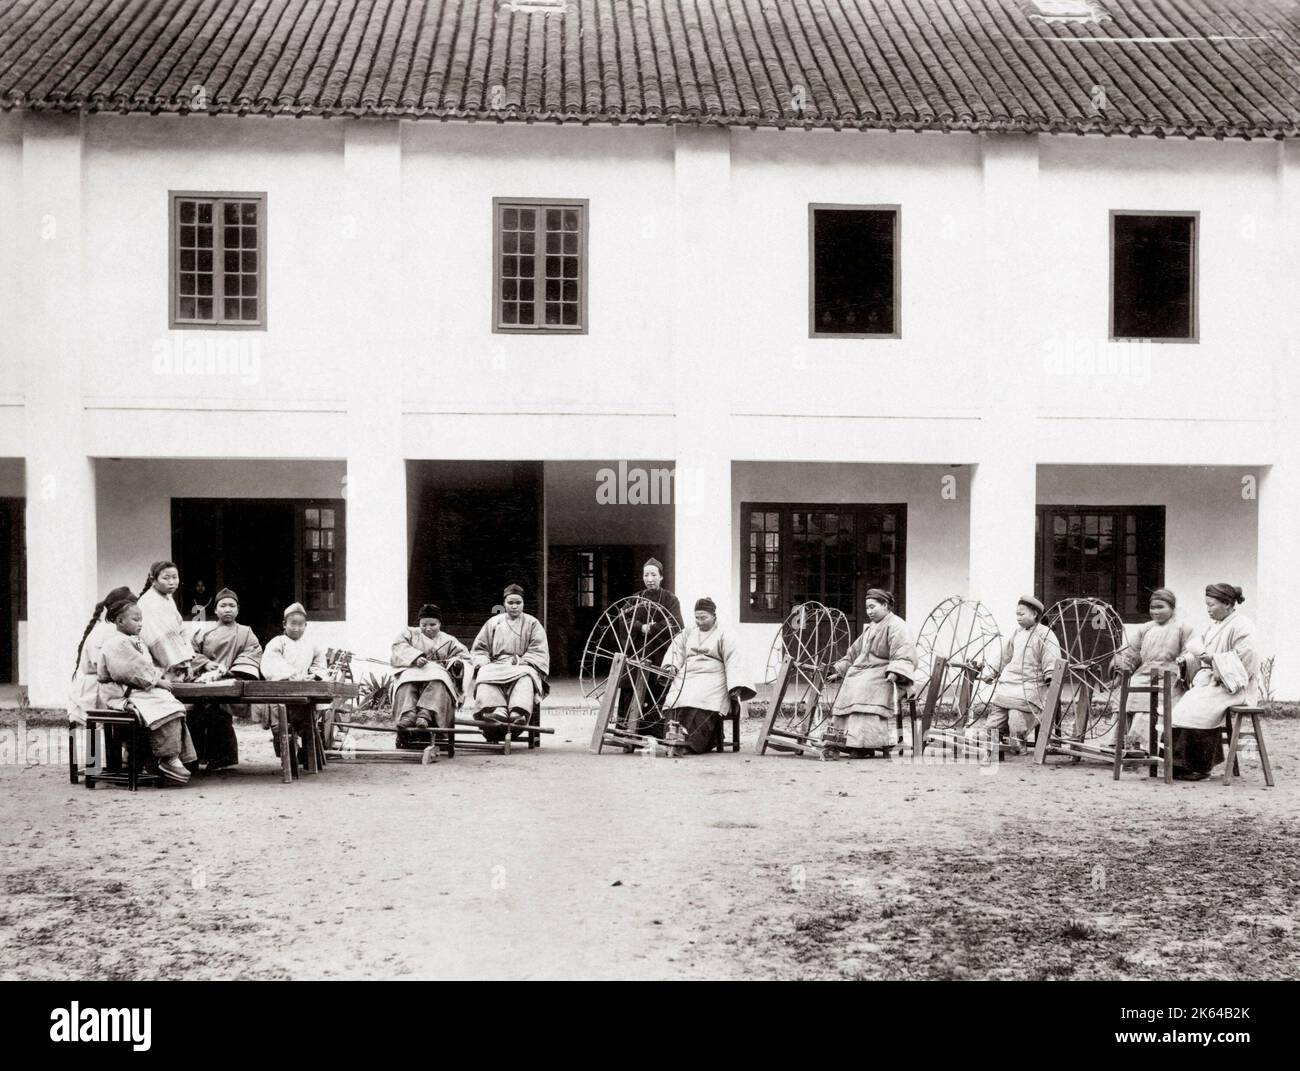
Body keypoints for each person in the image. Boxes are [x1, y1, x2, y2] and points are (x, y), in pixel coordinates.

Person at [94, 589, 197, 785]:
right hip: (121, 693)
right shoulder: (115, 643)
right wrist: (158, 681)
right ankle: (168, 758)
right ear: (119, 621)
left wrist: (162, 676)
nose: (140, 623)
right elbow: (132, 670)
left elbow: (147, 666)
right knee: (167, 705)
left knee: (173, 704)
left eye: (141, 619)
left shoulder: (136, 641)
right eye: (135, 619)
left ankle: (167, 757)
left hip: (138, 690)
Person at [1165, 583, 1260, 781]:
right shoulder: (1214, 627)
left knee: (1198, 711)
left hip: (1233, 685)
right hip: (1210, 681)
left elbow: (1247, 660)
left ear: (1227, 604)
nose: (1208, 609)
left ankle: (1200, 769)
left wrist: (1213, 659)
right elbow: (1201, 655)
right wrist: (1188, 660)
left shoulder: (1242, 625)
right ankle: (1178, 766)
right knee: (1181, 708)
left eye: (1212, 605)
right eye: (1206, 605)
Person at [828, 589, 918, 757]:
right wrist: (839, 670)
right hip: (863, 672)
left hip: (886, 675)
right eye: (867, 608)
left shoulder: (898, 626)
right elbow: (854, 653)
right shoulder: (871, 628)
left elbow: (904, 653)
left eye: (872, 607)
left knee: (863, 687)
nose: (869, 612)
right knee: (850, 683)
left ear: (885, 605)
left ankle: (866, 744)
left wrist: (896, 672)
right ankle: (846, 742)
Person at [965, 595, 1062, 752]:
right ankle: (994, 737)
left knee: (1016, 719)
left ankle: (1018, 742)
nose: (1018, 618)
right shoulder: (1017, 633)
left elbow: (1052, 657)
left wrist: (1050, 676)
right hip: (1009, 686)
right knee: (993, 723)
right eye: (1017, 614)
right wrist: (993, 672)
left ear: (1035, 614)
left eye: (1021, 614)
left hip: (1031, 687)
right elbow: (1004, 655)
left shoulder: (1046, 634)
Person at [660, 597, 755, 755]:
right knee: (675, 698)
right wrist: (671, 666)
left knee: (699, 698)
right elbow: (676, 649)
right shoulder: (689, 631)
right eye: (697, 618)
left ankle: (691, 743)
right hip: (688, 673)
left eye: (704, 618)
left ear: (713, 616)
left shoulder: (725, 633)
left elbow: (734, 658)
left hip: (713, 675)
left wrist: (736, 685)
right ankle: (672, 738)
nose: (699, 622)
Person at [1112, 588, 1201, 750]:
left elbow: (1192, 652)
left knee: (1149, 704)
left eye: (1161, 607)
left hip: (1171, 677)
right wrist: (1120, 673)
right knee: (1129, 698)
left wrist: (1183, 662)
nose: (1156, 611)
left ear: (1172, 608)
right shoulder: (1145, 628)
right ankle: (1120, 745)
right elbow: (1131, 653)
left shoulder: (1183, 628)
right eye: (1153, 607)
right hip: (1144, 673)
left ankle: (1141, 746)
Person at [190, 587, 263, 770]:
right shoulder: (202, 633)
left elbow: (253, 653)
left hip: (232, 679)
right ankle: (194, 758)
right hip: (206, 680)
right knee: (196, 713)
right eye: (223, 605)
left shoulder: (246, 632)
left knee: (220, 714)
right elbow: (190, 654)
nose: (227, 609)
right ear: (215, 610)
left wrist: (230, 672)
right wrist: (206, 664)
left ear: (238, 609)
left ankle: (222, 758)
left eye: (232, 605)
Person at [470, 585, 549, 743]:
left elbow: (539, 650)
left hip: (522, 664)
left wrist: (520, 661)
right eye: (510, 602)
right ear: (504, 603)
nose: (514, 606)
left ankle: (517, 712)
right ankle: (494, 709)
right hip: (496, 664)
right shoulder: (493, 622)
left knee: (526, 677)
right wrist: (484, 663)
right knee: (485, 674)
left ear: (523, 603)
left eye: (518, 603)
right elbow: (479, 649)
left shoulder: (532, 623)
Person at [620, 557, 683, 739]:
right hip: (637, 652)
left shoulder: (671, 599)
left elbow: (676, 624)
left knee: (657, 689)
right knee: (630, 684)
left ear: (661, 577)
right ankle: (630, 730)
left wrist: (653, 628)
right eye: (646, 575)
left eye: (653, 575)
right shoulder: (635, 599)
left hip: (661, 652)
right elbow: (624, 620)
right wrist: (641, 627)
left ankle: (655, 731)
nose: (649, 579)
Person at [391, 603, 469, 750]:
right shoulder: (409, 633)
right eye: (424, 624)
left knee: (438, 681)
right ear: (418, 623)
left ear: (440, 623)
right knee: (406, 683)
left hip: (437, 672)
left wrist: (455, 663)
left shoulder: (448, 640)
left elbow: (464, 657)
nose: (428, 628)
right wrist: (414, 657)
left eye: (433, 624)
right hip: (412, 670)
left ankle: (425, 714)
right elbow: (398, 646)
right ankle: (408, 715)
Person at [260, 601, 330, 757]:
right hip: (281, 692)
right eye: (293, 624)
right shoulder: (277, 643)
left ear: (306, 625)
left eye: (301, 624)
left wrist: (315, 675)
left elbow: (319, 664)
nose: (297, 628)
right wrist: (292, 675)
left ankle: (307, 755)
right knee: (282, 726)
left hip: (304, 691)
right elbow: (271, 664)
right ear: (284, 624)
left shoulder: (312, 645)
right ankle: (287, 752)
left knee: (306, 722)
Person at [68, 585, 136, 726]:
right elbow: (104, 665)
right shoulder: (107, 631)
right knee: (99, 733)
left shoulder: (114, 629)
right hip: (93, 691)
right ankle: (103, 748)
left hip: (100, 687)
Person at [137, 560, 211, 681]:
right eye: (166, 578)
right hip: (163, 664)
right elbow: (157, 638)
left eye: (174, 577)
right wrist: (181, 664)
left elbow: (180, 629)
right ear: (153, 580)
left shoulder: (167, 598)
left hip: (177, 661)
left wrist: (187, 662)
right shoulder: (149, 602)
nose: (171, 582)